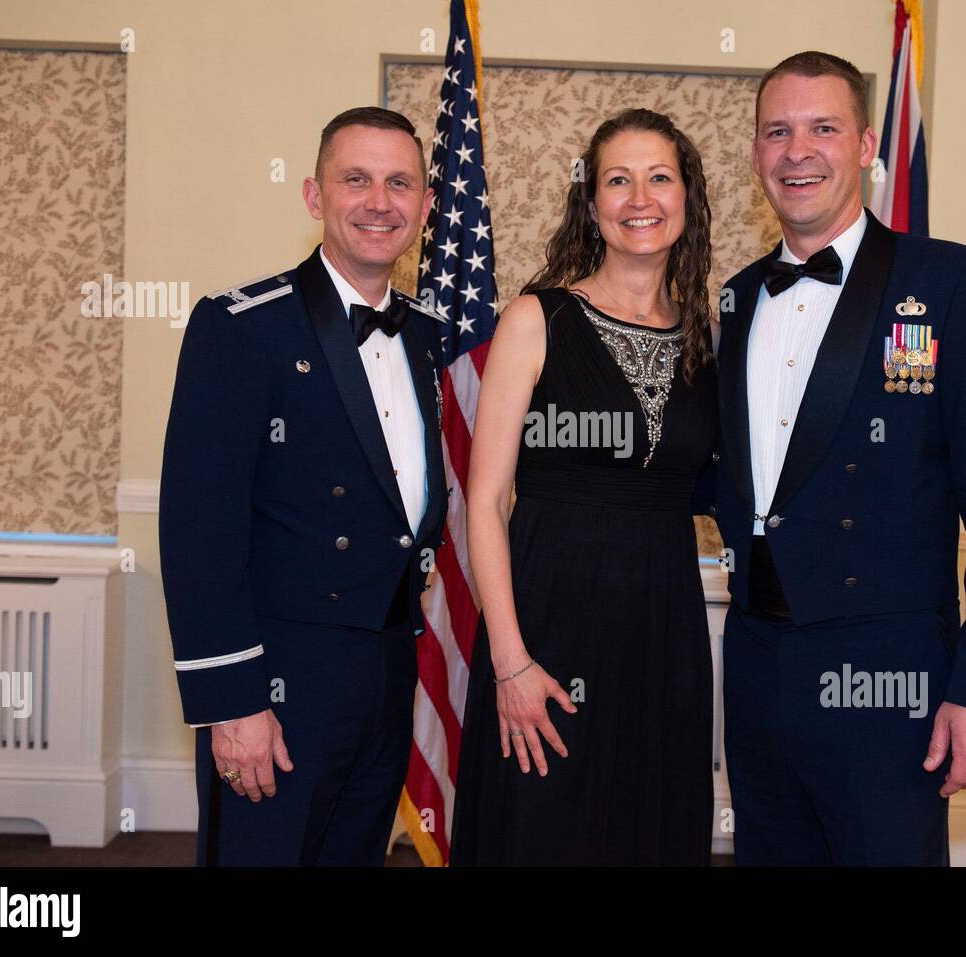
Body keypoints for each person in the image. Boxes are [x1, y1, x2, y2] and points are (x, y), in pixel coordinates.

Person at [712, 52, 966, 865]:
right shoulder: (735, 296)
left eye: (823, 128)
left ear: (866, 146)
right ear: (756, 153)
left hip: (891, 679)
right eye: (778, 132)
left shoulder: (961, 282)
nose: (799, 151)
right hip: (756, 664)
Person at [159, 107, 447, 866]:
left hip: (386, 676)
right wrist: (234, 703)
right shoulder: (243, 327)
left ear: (423, 204)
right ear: (315, 196)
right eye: (356, 180)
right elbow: (198, 532)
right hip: (278, 682)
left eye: (399, 183)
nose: (379, 202)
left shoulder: (425, 338)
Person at [450, 108, 719, 865]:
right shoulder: (537, 318)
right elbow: (486, 500)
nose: (641, 196)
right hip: (544, 630)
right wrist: (509, 659)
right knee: (541, 833)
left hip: (663, 639)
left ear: (688, 199)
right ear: (592, 202)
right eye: (618, 179)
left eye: (660, 177)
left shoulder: (708, 337)